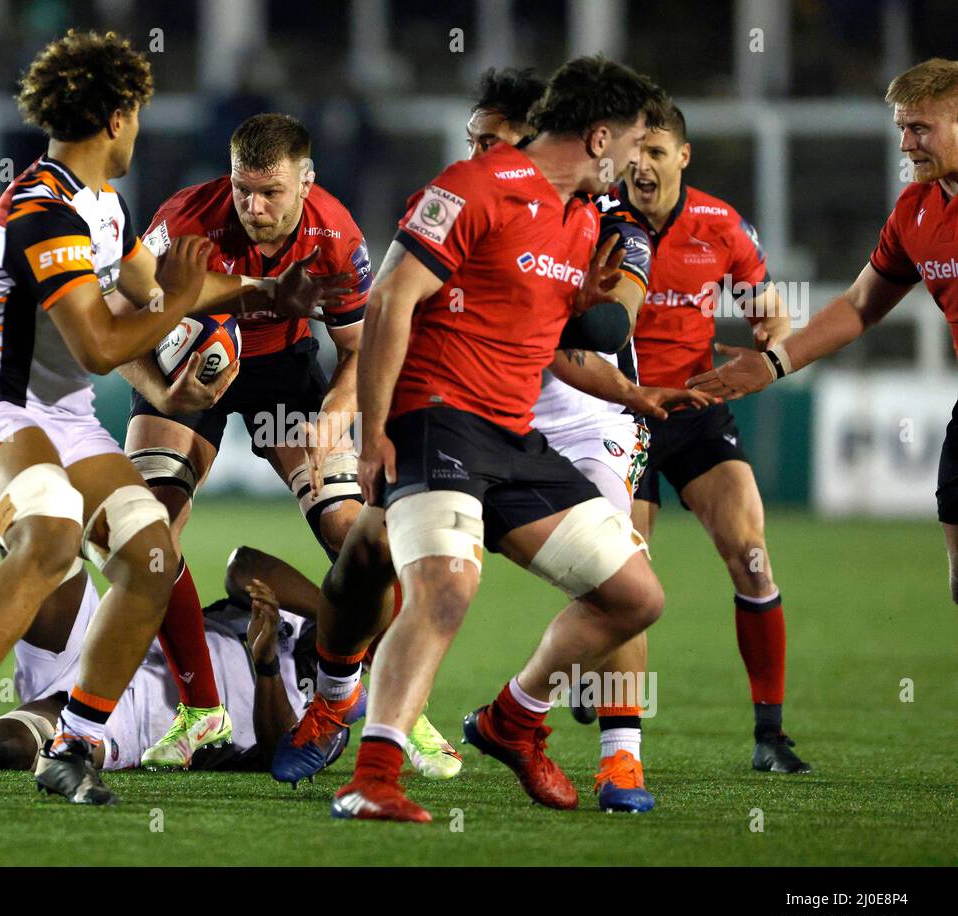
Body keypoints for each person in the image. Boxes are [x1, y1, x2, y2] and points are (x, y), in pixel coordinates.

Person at [0, 30, 337, 805]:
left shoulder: (100, 203)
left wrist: (264, 296)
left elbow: (158, 285)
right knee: (53, 528)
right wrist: (182, 302)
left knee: (152, 558)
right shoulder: (42, 210)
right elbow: (101, 345)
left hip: (59, 415)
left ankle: (75, 744)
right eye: (138, 112)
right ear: (119, 117)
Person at [329, 57, 669, 824]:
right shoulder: (475, 184)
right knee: (446, 586)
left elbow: (544, 341)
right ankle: (373, 775)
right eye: (636, 144)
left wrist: (630, 388)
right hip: (435, 419)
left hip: (514, 437)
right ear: (599, 135)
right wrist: (374, 430)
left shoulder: (583, 219)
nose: (637, 163)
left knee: (634, 594)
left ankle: (512, 721)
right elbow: (391, 300)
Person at [116, 112, 372, 769]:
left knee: (354, 532)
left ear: (306, 183)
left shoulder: (337, 235)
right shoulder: (183, 221)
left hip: (281, 374)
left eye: (271, 193)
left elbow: (356, 350)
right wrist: (167, 392)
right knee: (148, 531)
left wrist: (336, 415)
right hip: (188, 370)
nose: (253, 207)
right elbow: (116, 325)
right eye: (242, 190)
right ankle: (203, 713)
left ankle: (374, 698)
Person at [0, 546, 459, 779]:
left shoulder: (345, 711)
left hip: (154, 713)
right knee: (47, 542)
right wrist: (337, 616)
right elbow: (245, 563)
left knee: (25, 737)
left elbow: (275, 753)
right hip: (129, 633)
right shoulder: (316, 621)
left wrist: (268, 665)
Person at [688, 57, 958, 611]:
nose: (906, 145)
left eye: (921, 128)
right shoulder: (916, 209)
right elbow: (861, 305)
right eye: (902, 129)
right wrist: (772, 364)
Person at [619, 104, 808, 773]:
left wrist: (766, 346)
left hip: (696, 411)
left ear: (684, 156)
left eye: (656, 151)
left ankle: (769, 735)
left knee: (752, 556)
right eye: (633, 151)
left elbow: (773, 318)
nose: (641, 164)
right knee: (623, 581)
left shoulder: (720, 226)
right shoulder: (594, 220)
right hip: (620, 417)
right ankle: (612, 718)